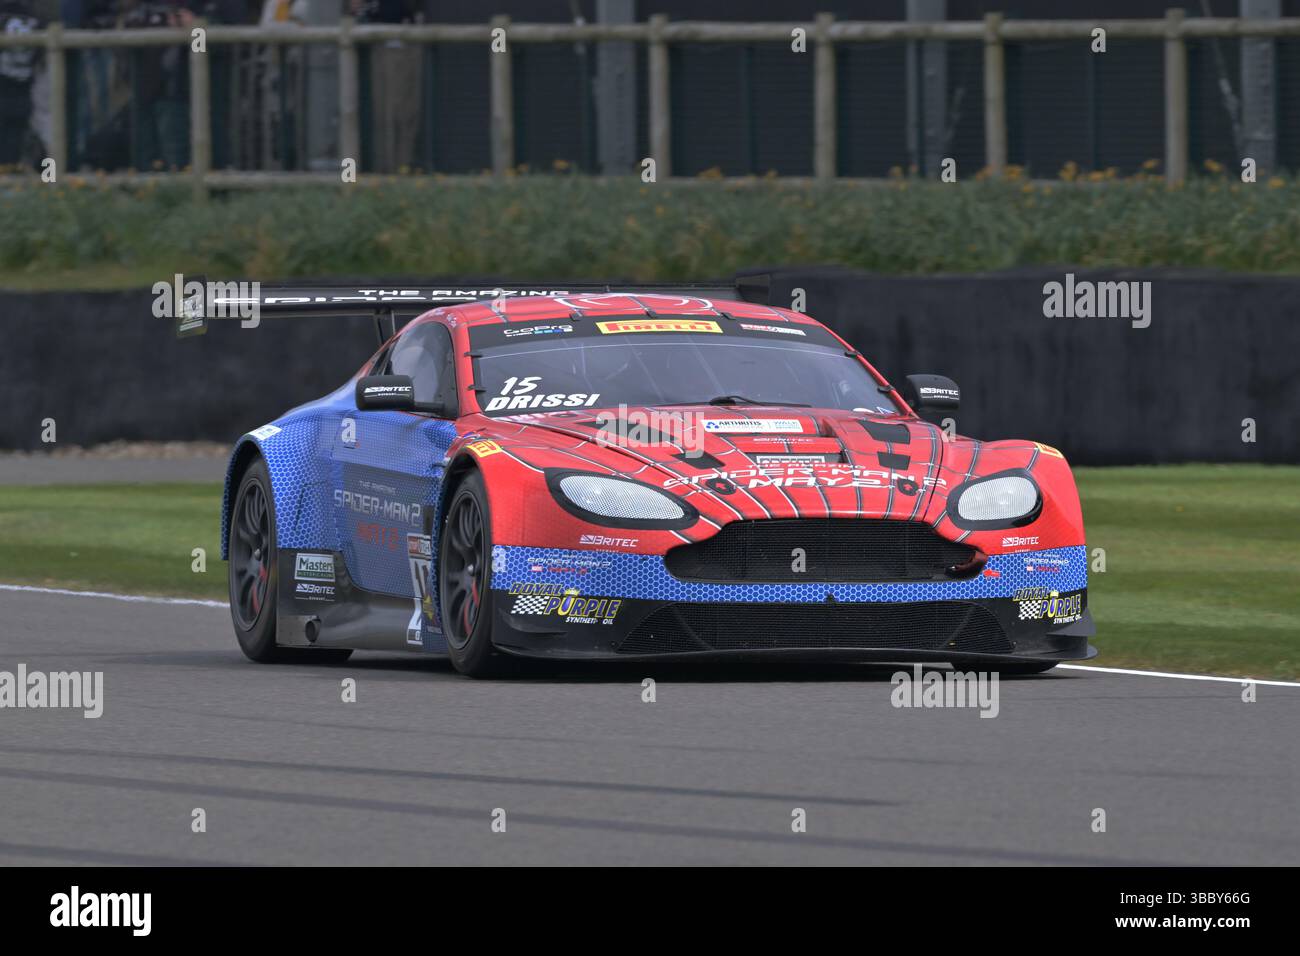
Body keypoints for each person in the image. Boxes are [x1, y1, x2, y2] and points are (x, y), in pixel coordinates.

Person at [0, 0, 40, 167]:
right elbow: (39, 53)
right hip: (23, 86)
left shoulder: (3, 14)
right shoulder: (35, 18)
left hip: (5, 85)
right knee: (13, 139)